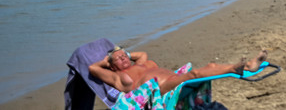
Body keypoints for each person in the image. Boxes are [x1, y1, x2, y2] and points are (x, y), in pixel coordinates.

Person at [89, 46, 269, 107]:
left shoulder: (142, 63)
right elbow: (92, 68)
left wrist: (124, 54)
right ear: (112, 66)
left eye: (125, 55)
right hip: (161, 90)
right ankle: (240, 67)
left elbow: (142, 54)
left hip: (172, 80)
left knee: (210, 67)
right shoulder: (118, 77)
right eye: (118, 58)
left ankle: (245, 66)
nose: (123, 58)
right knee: (194, 74)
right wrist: (106, 61)